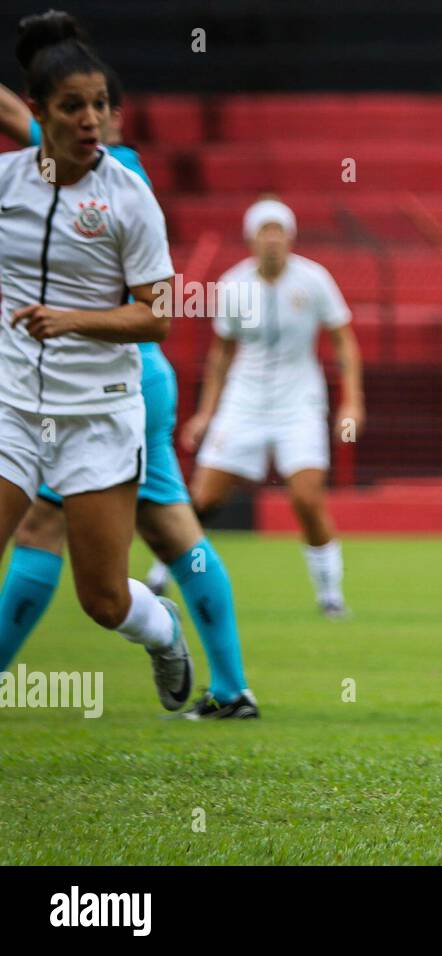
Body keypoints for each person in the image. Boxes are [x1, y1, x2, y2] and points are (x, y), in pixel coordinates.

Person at [0, 51, 257, 718]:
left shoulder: (124, 184)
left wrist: (68, 322)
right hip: (22, 400)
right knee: (155, 532)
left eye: (100, 107)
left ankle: (182, 646)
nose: (92, 121)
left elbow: (159, 316)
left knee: (108, 587)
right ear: (47, 112)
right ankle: (231, 687)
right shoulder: (20, 179)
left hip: (119, 393)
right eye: (75, 106)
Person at [180, 198, 365, 618]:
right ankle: (161, 576)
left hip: (299, 401)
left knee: (306, 497)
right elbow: (221, 355)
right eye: (264, 231)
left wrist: (352, 402)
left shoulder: (314, 280)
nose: (272, 239)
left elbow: (343, 341)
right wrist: (206, 413)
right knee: (204, 497)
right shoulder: (232, 286)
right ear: (251, 239)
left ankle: (330, 595)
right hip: (244, 400)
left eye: (278, 231)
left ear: (291, 237)